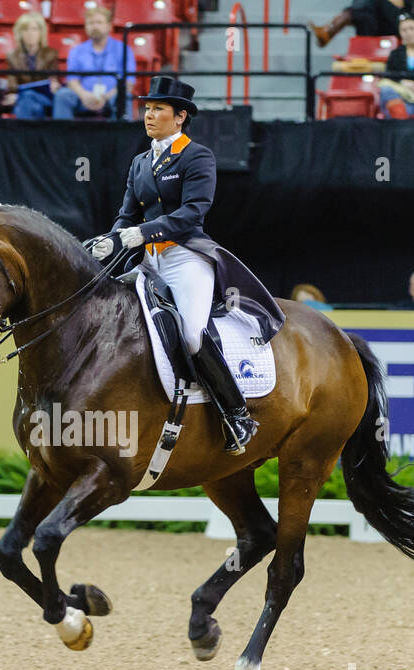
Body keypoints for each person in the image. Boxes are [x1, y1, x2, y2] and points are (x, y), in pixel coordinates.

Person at [88, 76, 286, 455]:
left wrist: (140, 232)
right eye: (146, 109)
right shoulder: (140, 162)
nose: (149, 115)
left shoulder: (197, 156)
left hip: (184, 257)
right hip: (148, 260)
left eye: (158, 109)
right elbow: (126, 214)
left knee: (193, 333)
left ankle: (237, 415)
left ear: (179, 117)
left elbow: (193, 211)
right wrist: (111, 239)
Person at [53, 6, 136, 119]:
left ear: (109, 26)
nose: (95, 26)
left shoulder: (123, 49)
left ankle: (123, 136)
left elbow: (128, 82)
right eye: (91, 23)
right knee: (63, 95)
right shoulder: (76, 51)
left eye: (99, 22)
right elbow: (72, 80)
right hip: (83, 97)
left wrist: (106, 97)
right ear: (86, 27)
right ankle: (60, 136)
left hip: (111, 96)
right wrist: (84, 95)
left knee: (123, 96)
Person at [3, 10, 59, 119]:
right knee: (32, 105)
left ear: (41, 32)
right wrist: (13, 94)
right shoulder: (12, 56)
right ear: (20, 33)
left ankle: (21, 134)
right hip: (22, 98)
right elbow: (12, 85)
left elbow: (53, 80)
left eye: (34, 29)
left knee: (27, 98)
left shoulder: (51, 54)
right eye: (25, 29)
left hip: (45, 98)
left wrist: (54, 85)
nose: (30, 33)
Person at [310, 0, 408, 48]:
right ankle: (329, 30)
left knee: (361, 11)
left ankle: (329, 29)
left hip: (396, 26)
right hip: (373, 24)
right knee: (363, 13)